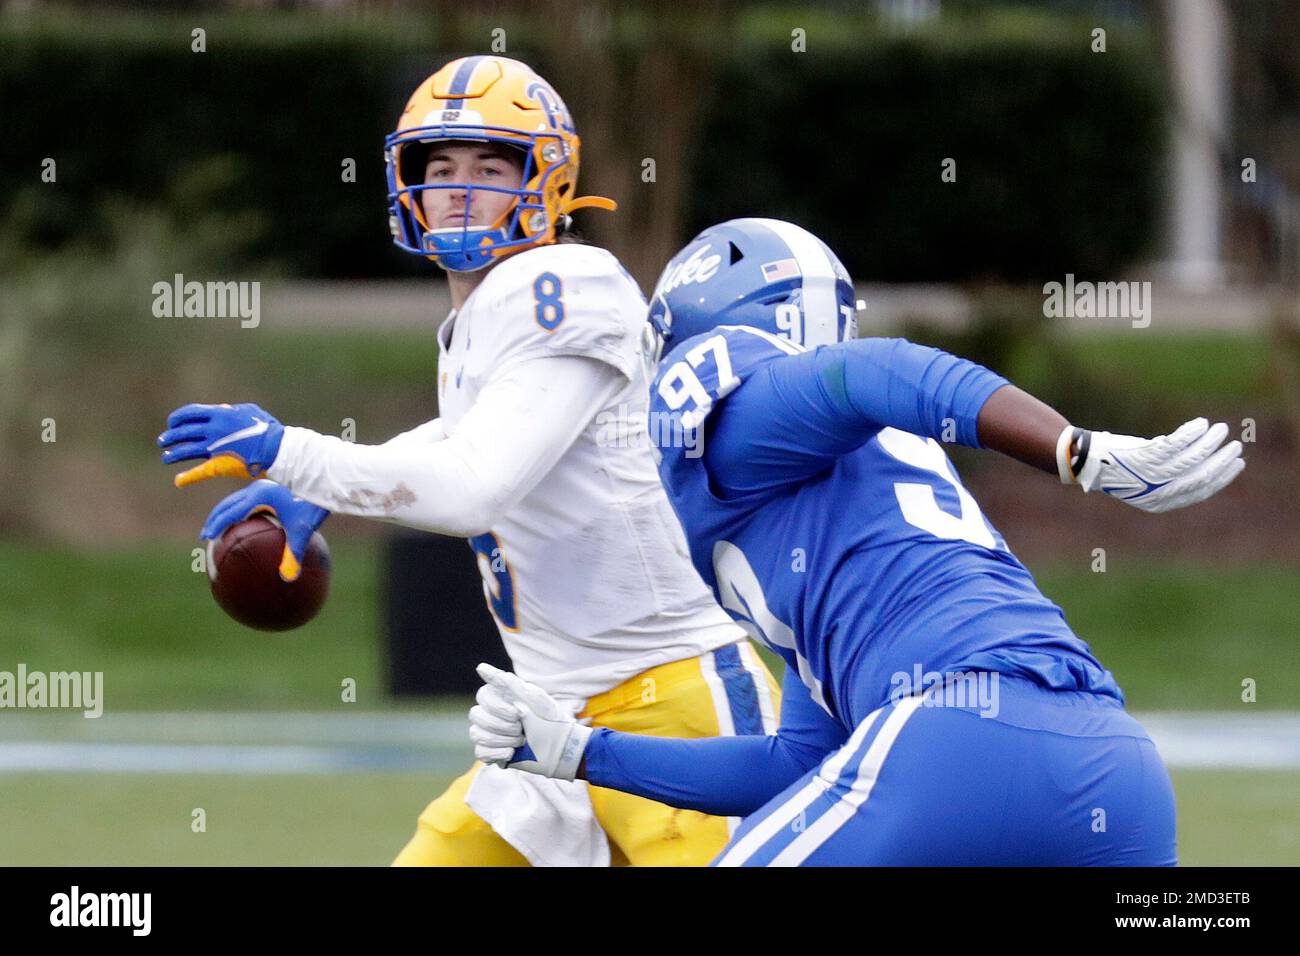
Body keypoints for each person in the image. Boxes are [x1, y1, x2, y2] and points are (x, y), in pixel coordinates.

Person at [466, 217, 1245, 866]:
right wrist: (581, 753)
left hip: (954, 738)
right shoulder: (848, 534)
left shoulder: (742, 421)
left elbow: (875, 370)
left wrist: (1075, 450)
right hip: (1114, 765)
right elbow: (796, 764)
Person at [156, 59, 779, 867]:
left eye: (490, 167)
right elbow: (467, 438)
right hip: (546, 717)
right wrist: (320, 486)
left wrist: (291, 451)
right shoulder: (483, 314)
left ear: (547, 181)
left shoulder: (563, 284)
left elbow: (475, 488)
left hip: (676, 706)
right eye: (439, 167)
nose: (458, 187)